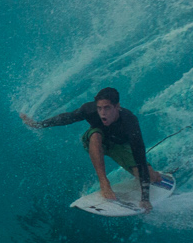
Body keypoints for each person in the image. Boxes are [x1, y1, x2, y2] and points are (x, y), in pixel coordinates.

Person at [20, 87, 173, 211]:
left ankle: (152, 174)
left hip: (119, 146)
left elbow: (140, 156)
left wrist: (145, 198)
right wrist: (39, 124)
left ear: (117, 107)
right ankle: (104, 182)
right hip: (96, 141)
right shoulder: (89, 110)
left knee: (152, 178)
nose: (102, 113)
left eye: (107, 108)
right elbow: (67, 118)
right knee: (95, 134)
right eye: (99, 108)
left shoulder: (130, 122)